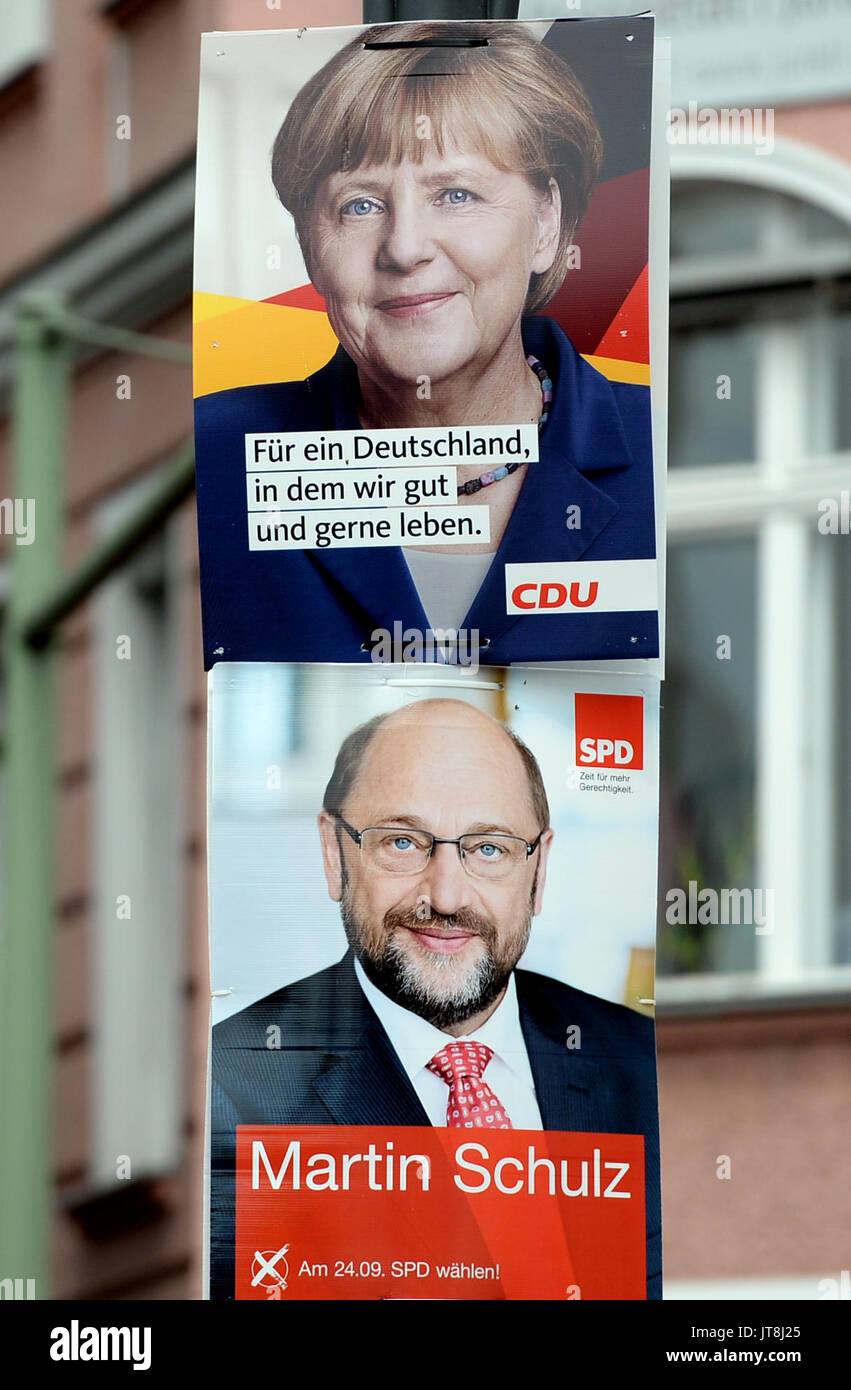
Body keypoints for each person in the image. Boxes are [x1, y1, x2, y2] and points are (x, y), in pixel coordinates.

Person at [194, 20, 658, 667]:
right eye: (359, 205)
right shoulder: (215, 458)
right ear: (308, 245)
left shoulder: (658, 451)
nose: (405, 248)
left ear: (545, 223)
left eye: (456, 194)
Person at [210, 699, 662, 1299]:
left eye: (489, 848)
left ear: (540, 867)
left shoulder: (642, 1068)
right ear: (333, 853)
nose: (447, 896)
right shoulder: (234, 1084)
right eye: (402, 842)